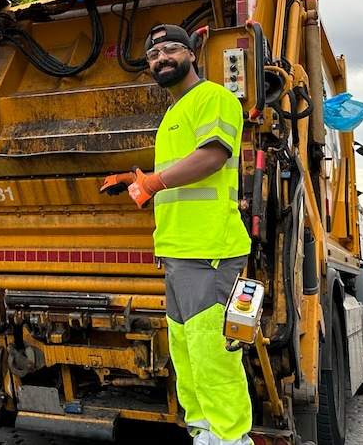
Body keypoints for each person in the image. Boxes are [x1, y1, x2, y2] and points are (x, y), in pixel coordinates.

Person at [100, 24, 251, 445]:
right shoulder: (173, 113)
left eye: (170, 49)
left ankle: (231, 438)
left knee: (214, 357)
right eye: (153, 55)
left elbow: (212, 157)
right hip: (180, 253)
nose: (162, 58)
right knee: (188, 358)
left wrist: (152, 182)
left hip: (212, 252)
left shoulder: (214, 98)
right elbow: (176, 181)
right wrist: (135, 180)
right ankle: (205, 434)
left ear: (192, 53)